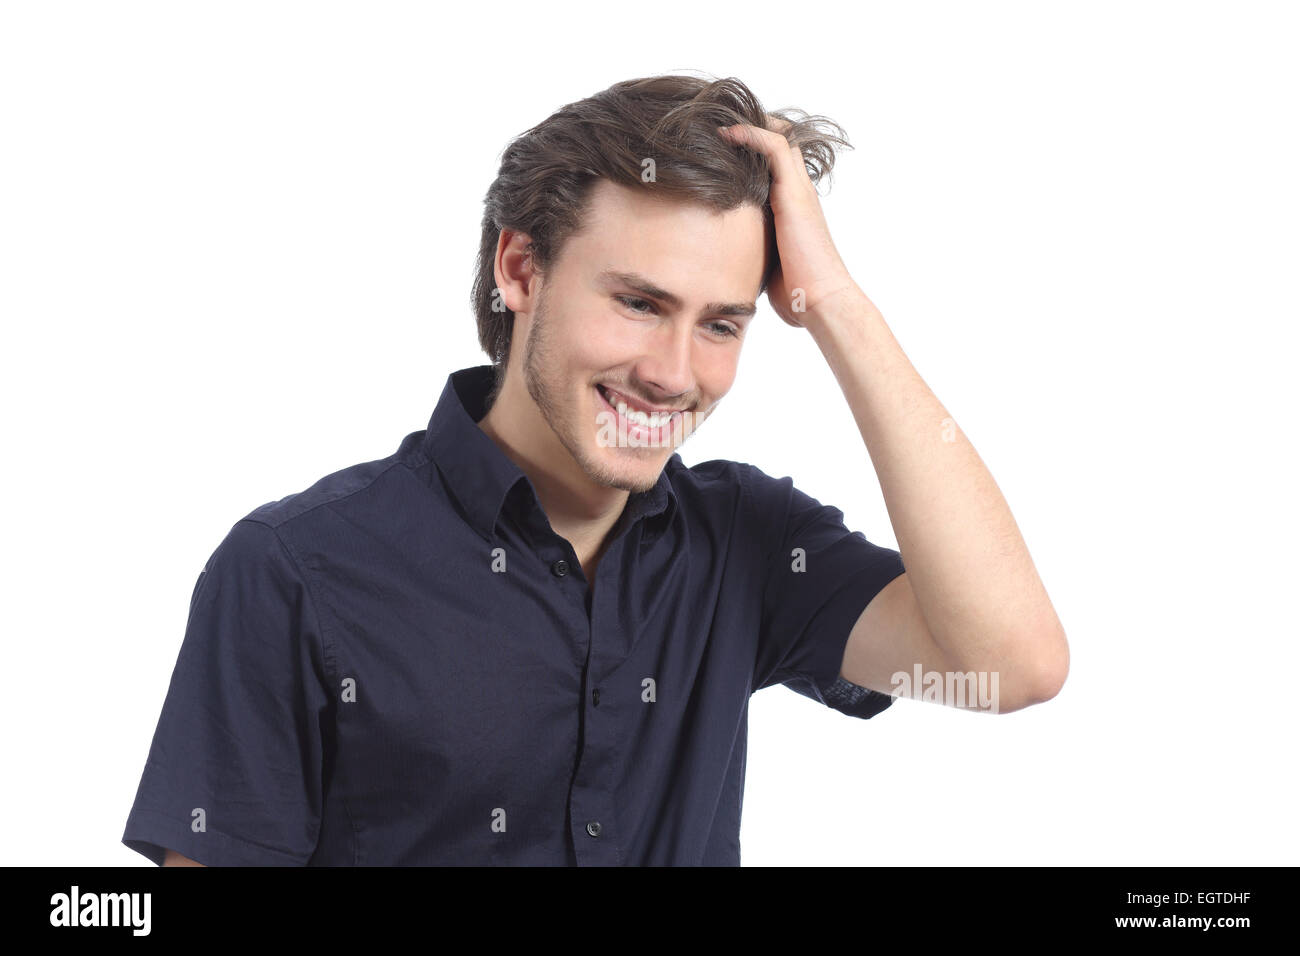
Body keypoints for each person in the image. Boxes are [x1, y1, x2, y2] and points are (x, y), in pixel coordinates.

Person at [122, 73, 1068, 867]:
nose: (673, 373)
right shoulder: (294, 569)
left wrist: (834, 301)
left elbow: (1012, 664)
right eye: (639, 302)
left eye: (722, 324)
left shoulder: (746, 543)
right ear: (522, 270)